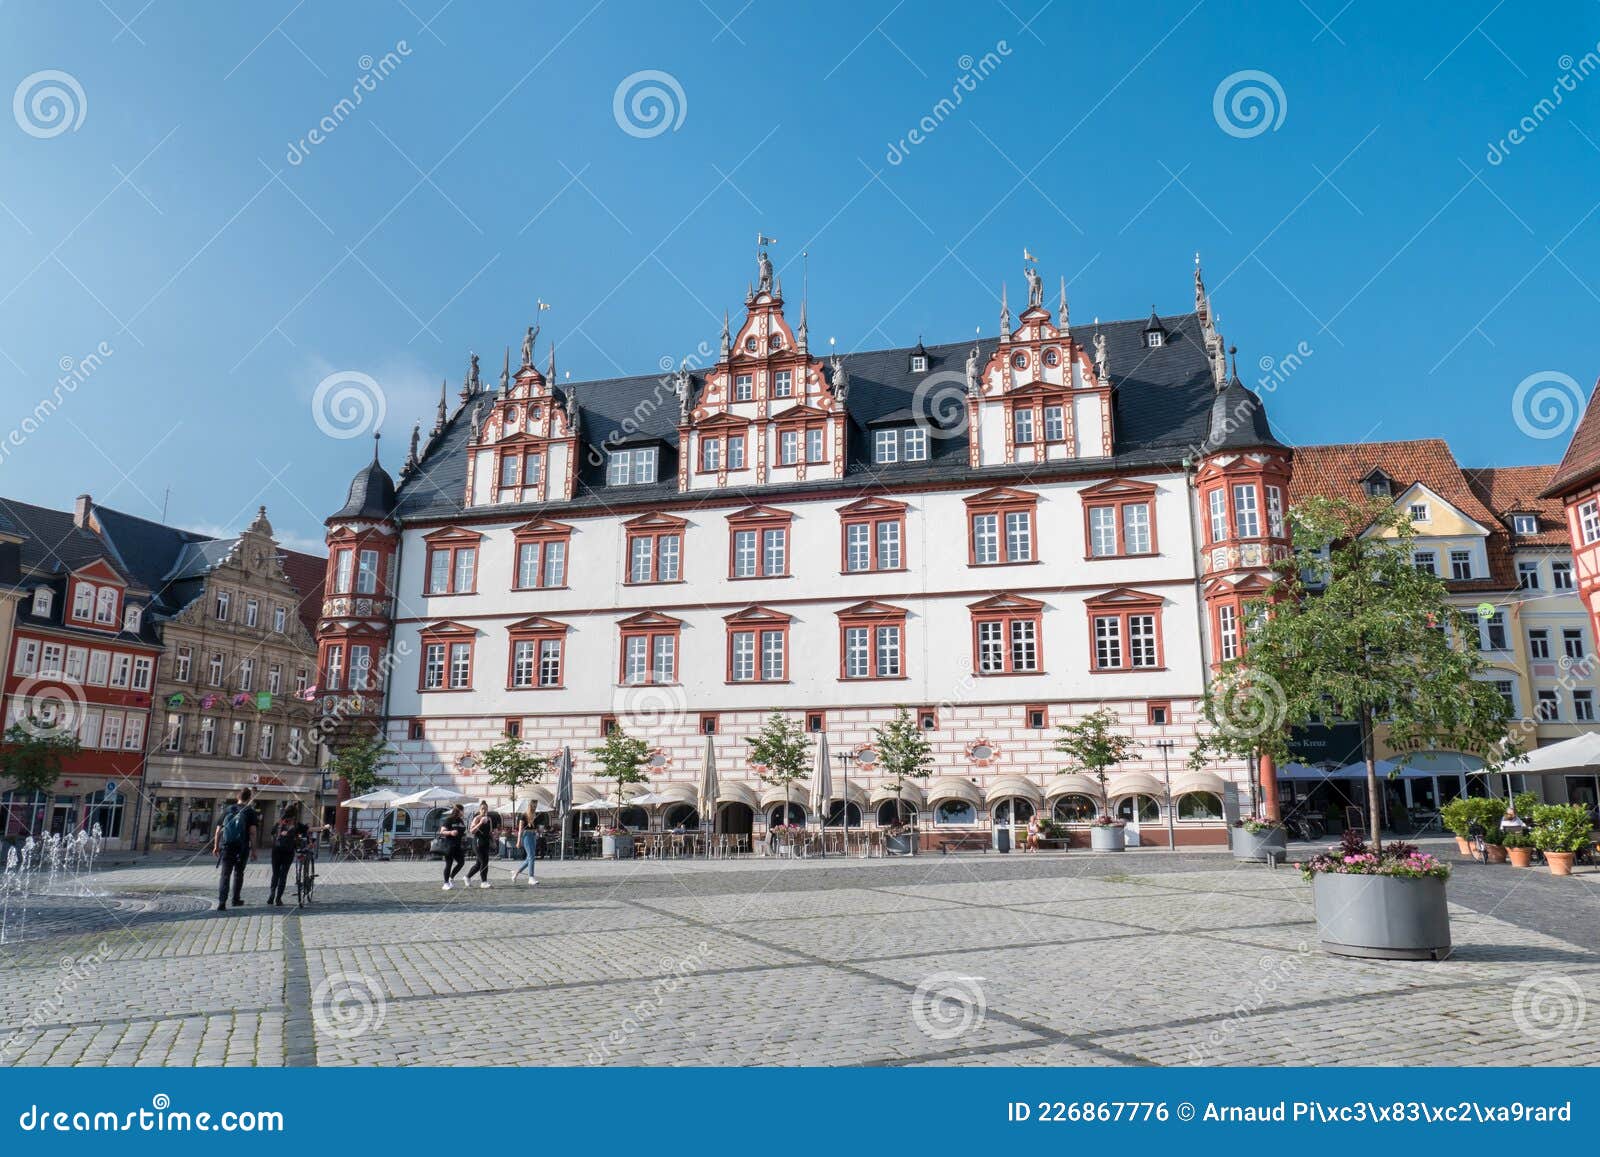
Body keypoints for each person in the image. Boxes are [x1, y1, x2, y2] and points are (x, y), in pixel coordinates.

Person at [213, 787, 259, 912]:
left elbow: (218, 831)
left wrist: (216, 846)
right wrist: (254, 850)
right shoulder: (250, 812)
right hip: (242, 848)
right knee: (239, 873)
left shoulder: (228, 809)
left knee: (225, 874)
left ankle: (222, 902)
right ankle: (235, 899)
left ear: (238, 797)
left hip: (227, 847)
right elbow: (253, 833)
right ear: (249, 798)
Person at [266, 804, 308, 906]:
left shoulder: (279, 822)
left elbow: (272, 833)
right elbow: (308, 830)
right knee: (283, 875)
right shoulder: (296, 824)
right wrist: (323, 827)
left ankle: (271, 894)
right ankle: (278, 899)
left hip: (276, 851)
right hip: (288, 852)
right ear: (295, 813)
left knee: (275, 874)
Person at [464, 800, 496, 889]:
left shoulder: (489, 819)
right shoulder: (477, 818)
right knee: (484, 862)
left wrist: (493, 841)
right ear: (479, 809)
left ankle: (467, 877)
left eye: (486, 809)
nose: (484, 810)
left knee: (479, 864)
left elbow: (490, 832)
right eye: (482, 809)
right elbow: (471, 831)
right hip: (477, 842)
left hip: (486, 842)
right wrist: (480, 823)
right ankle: (484, 882)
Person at [439, 803, 467, 890]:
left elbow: (462, 832)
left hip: (458, 846)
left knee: (461, 862)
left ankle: (451, 877)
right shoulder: (449, 820)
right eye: (462, 810)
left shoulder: (461, 821)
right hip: (449, 845)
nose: (463, 812)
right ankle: (446, 883)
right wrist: (450, 832)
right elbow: (442, 831)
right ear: (458, 811)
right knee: (449, 864)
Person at [512, 802, 540, 886]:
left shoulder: (535, 815)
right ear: (529, 806)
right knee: (531, 856)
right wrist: (518, 841)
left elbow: (536, 827)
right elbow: (520, 829)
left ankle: (516, 872)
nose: (534, 808)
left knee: (529, 858)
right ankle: (531, 878)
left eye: (535, 806)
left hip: (533, 836)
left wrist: (537, 832)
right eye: (533, 806)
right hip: (526, 836)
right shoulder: (523, 815)